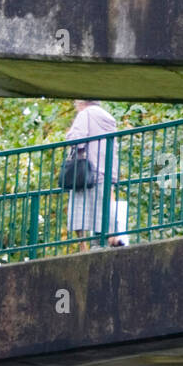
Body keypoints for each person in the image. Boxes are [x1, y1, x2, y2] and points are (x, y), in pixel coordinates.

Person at [64, 100, 118, 252]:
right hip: (106, 171)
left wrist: (69, 136)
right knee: (103, 208)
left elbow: (77, 141)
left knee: (79, 210)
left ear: (81, 102)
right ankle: (104, 241)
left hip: (86, 172)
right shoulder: (108, 117)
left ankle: (84, 248)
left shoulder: (85, 114)